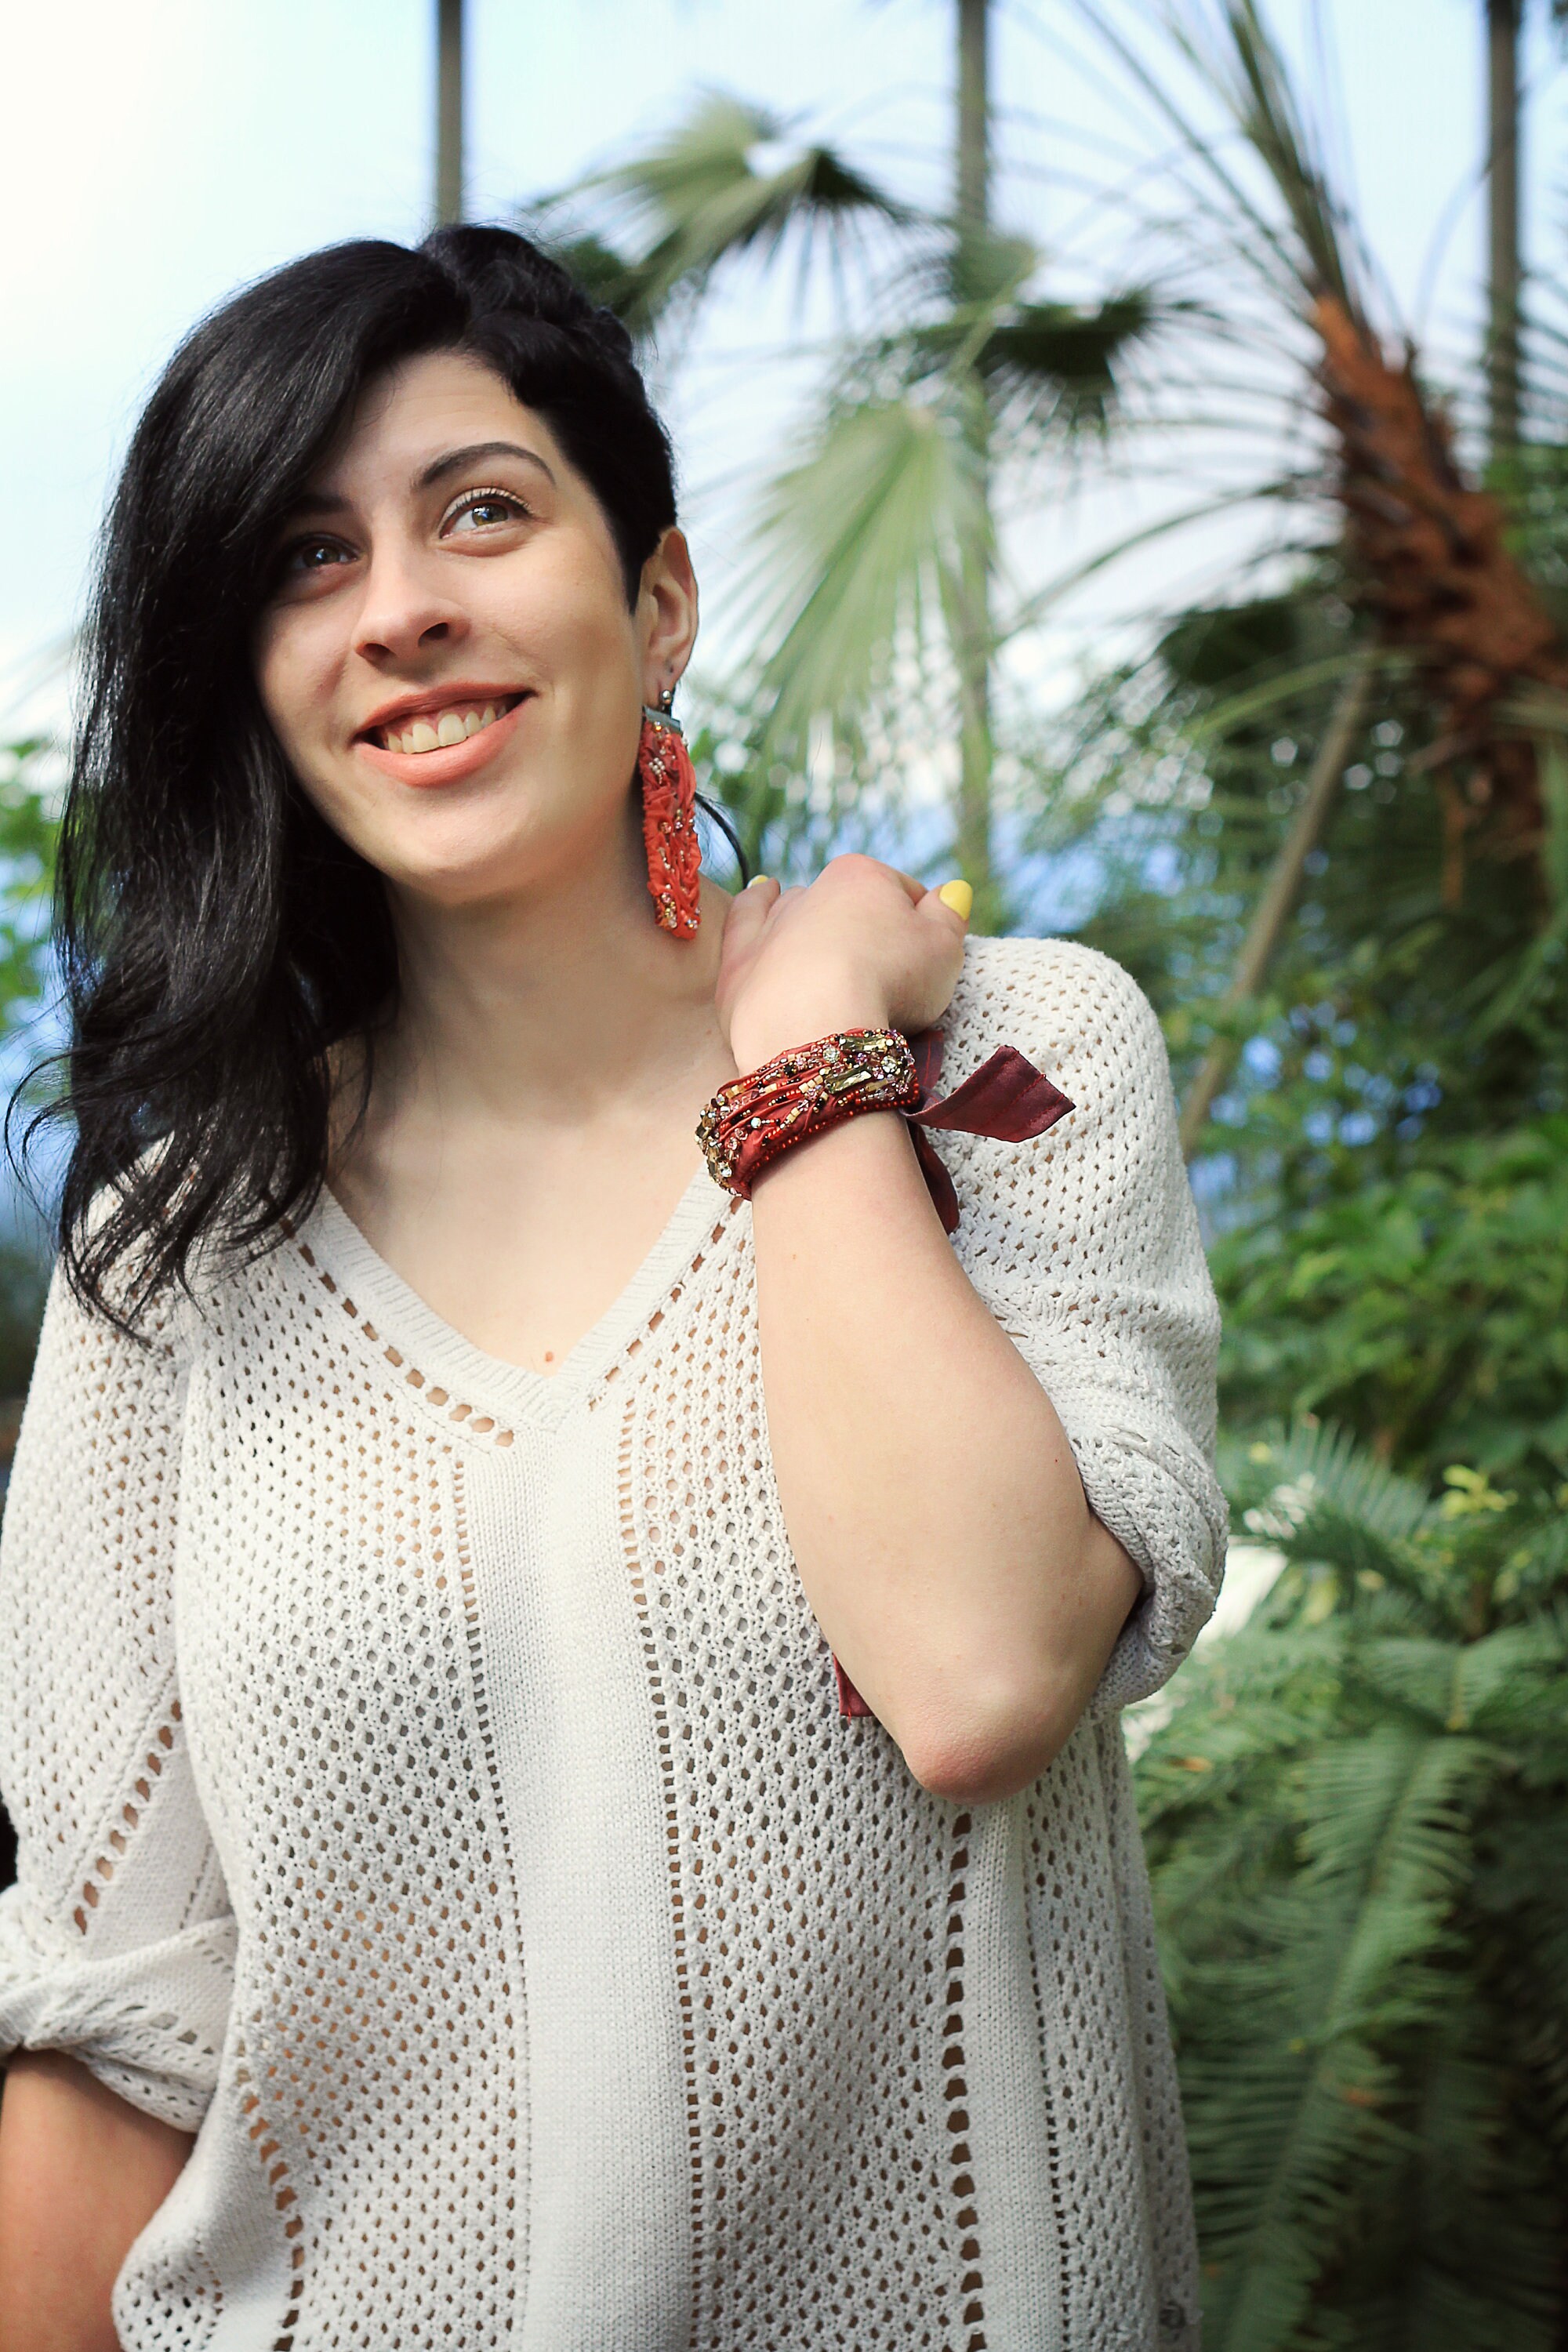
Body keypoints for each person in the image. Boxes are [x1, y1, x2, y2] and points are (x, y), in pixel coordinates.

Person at [0, 226, 1225, 2352]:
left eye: (482, 509)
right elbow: (120, 2032)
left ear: (654, 600)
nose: (399, 611)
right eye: (304, 558)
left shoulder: (1005, 1071)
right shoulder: (176, 1255)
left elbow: (977, 1672)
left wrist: (807, 1058)